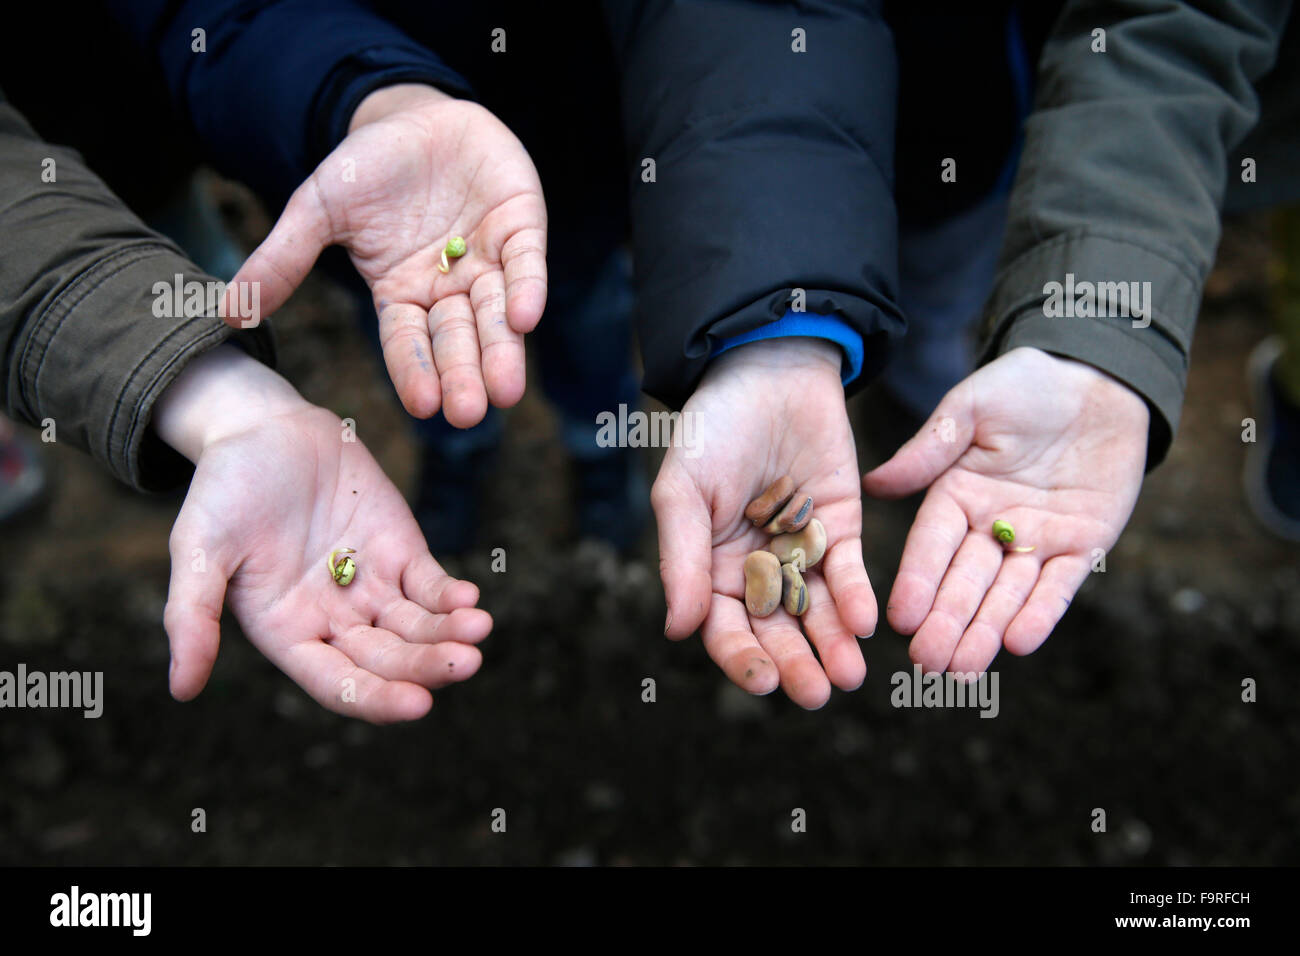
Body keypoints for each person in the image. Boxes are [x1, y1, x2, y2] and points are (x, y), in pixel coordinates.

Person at [605, 0, 1297, 706]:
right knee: (936, 308)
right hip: (883, 146)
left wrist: (1096, 341)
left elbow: (1173, 28)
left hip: (977, 134)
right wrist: (771, 341)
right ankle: (905, 410)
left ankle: (913, 406)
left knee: (938, 312)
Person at [0, 93, 490, 723]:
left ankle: (198, 378)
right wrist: (224, 406)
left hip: (138, 141)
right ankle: (149, 420)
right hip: (108, 166)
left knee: (203, 254)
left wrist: (220, 391)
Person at [107, 0, 648, 554]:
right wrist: (362, 94)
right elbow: (200, 18)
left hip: (571, 134)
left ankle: (600, 451)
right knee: (413, 341)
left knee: (589, 317)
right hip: (369, 186)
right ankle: (458, 453)